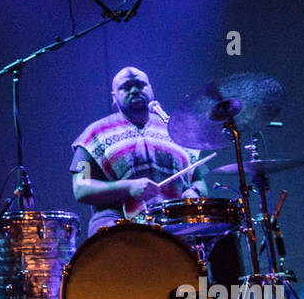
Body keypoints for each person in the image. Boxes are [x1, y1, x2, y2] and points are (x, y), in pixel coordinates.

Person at [70, 66, 206, 238]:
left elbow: (199, 181)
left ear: (151, 89)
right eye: (126, 87)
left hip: (175, 227)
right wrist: (128, 187)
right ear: (114, 97)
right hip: (116, 229)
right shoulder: (93, 135)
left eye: (141, 85)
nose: (134, 90)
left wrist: (194, 192)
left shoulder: (177, 131)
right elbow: (81, 188)